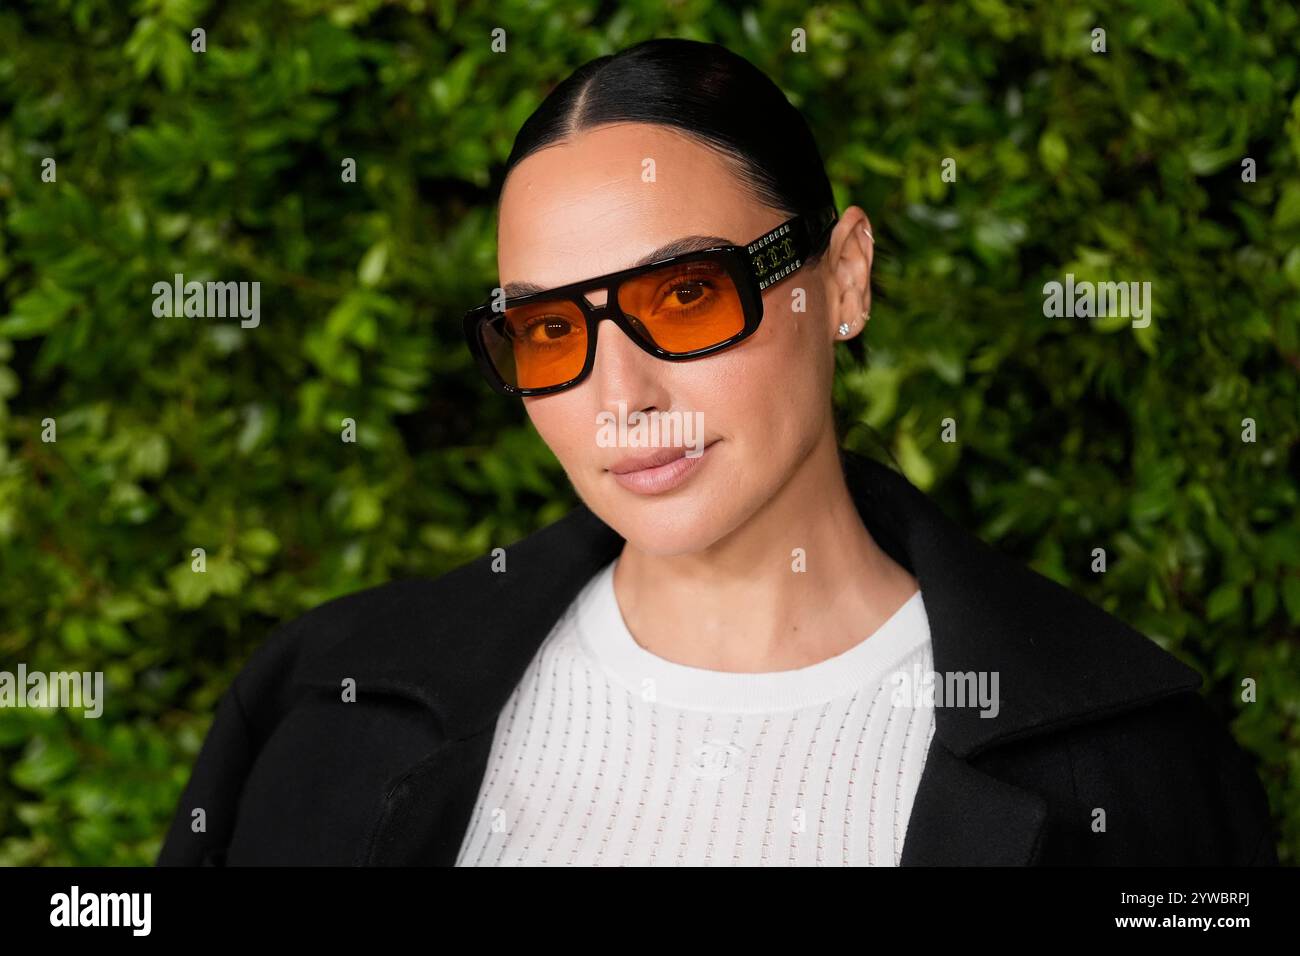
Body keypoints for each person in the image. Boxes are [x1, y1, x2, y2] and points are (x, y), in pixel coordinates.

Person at [157, 37, 1277, 867]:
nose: (621, 396)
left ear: (842, 276)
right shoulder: (323, 705)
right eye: (549, 329)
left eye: (686, 296)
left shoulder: (1131, 766)